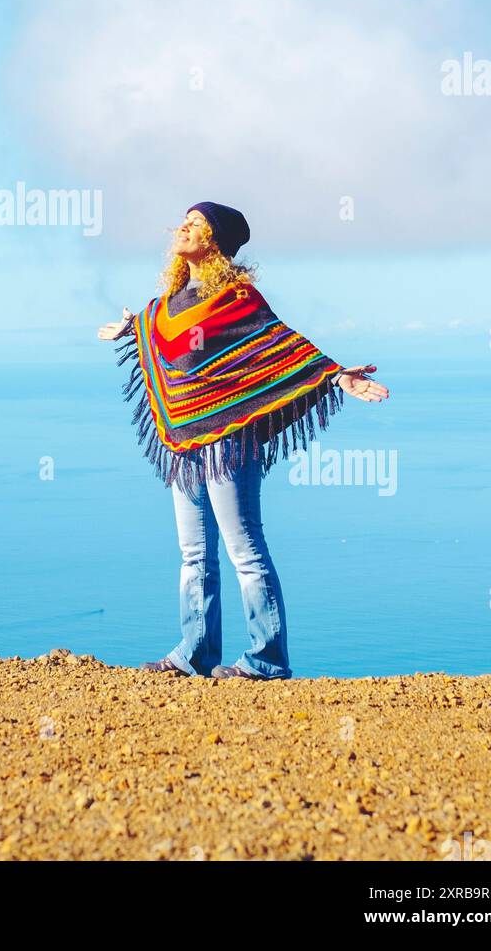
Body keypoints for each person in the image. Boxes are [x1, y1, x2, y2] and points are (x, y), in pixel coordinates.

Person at [97, 202, 389, 681]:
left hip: (231, 439)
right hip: (186, 443)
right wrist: (134, 328)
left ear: (214, 240)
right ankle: (194, 654)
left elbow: (279, 343)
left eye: (196, 223)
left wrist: (335, 377)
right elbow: (163, 336)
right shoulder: (169, 301)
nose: (184, 227)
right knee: (193, 554)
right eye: (185, 220)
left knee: (244, 550)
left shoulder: (237, 297)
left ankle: (267, 659)